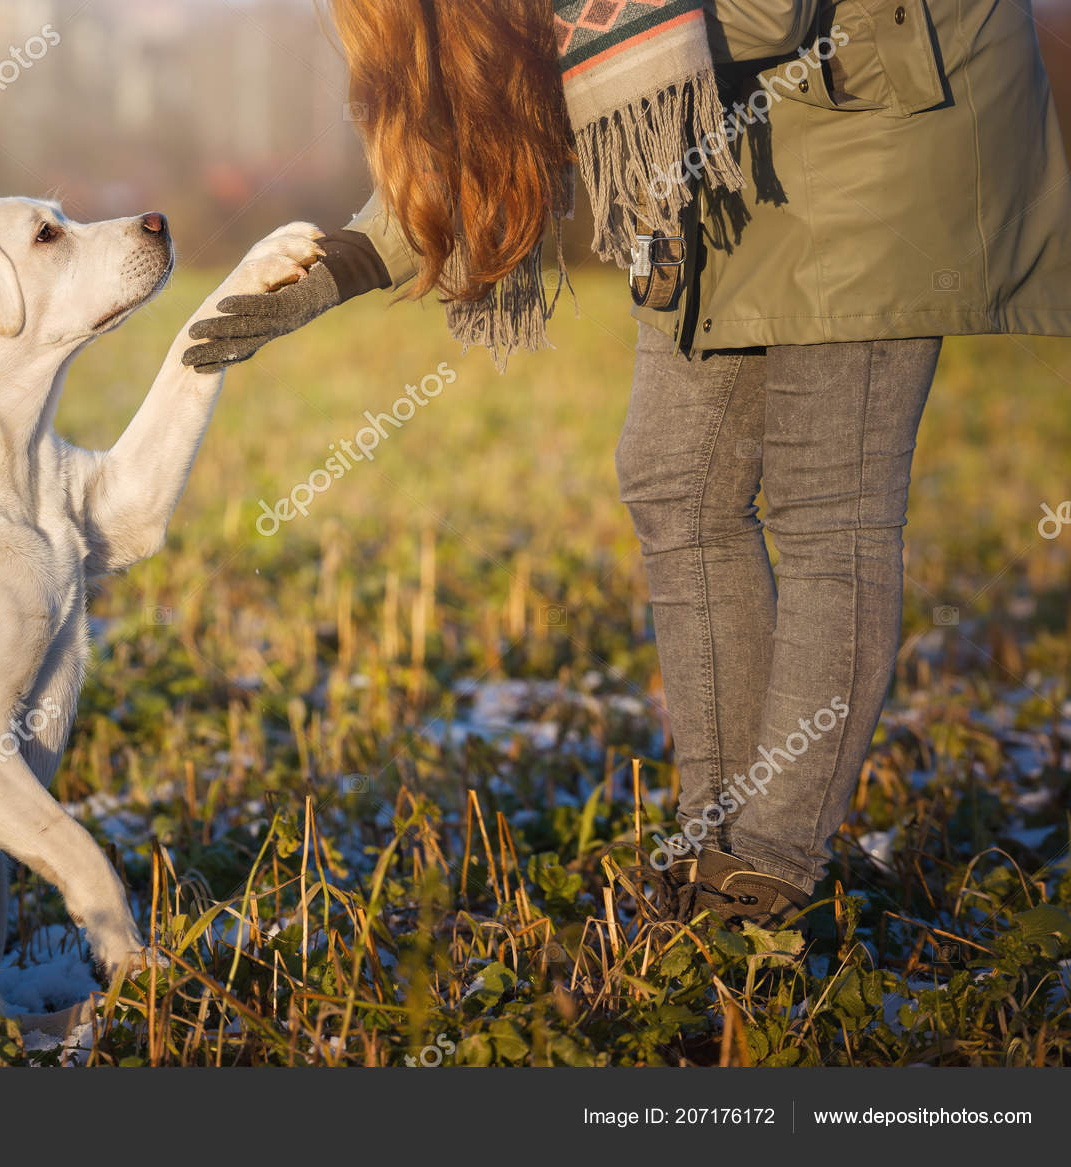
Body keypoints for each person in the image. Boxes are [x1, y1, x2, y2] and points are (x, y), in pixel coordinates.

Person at [182, 0, 1071, 929]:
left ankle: (766, 875)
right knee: (674, 477)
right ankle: (716, 840)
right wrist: (350, 260)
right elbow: (522, 85)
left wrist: (544, 44)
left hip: (870, 104)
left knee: (829, 505)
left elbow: (763, 17)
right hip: (717, 125)